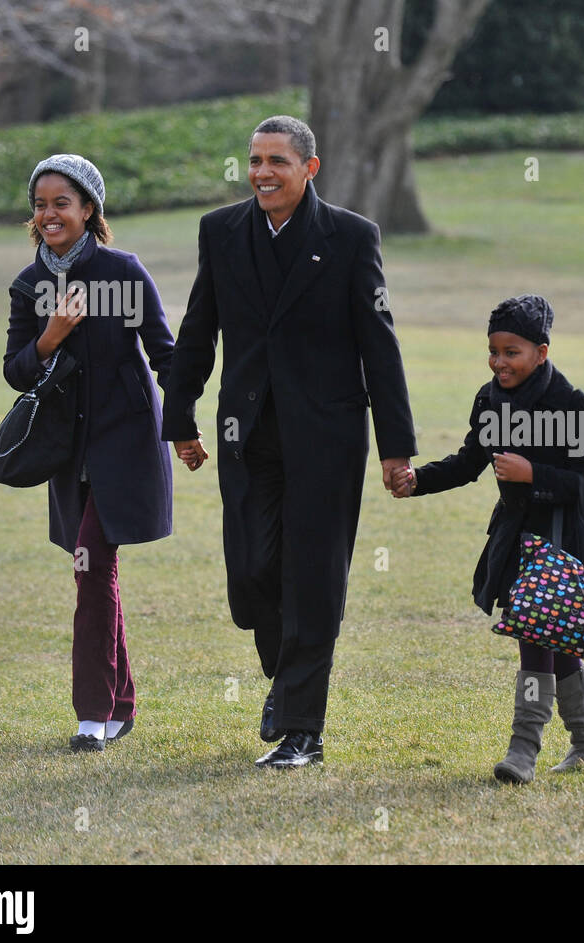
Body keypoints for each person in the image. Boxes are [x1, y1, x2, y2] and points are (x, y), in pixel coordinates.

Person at [160, 116, 416, 769]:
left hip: (327, 436)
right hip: (246, 433)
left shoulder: (353, 238)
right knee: (251, 575)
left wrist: (395, 445)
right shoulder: (219, 232)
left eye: (277, 160)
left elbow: (377, 346)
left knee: (313, 579)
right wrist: (180, 416)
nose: (262, 173)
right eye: (254, 161)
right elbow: (198, 329)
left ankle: (303, 728)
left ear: (310, 167)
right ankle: (285, 675)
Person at [392, 295, 584, 784]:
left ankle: (523, 751)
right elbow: (470, 461)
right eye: (493, 350)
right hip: (516, 538)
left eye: (511, 352)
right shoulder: (490, 400)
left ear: (542, 352)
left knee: (538, 636)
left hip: (567, 540)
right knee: (552, 638)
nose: (499, 361)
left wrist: (532, 472)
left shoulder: (571, 405)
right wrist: (418, 480)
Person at [3, 154, 176, 753]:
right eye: (41, 204)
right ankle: (120, 702)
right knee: (93, 565)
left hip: (125, 447)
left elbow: (165, 353)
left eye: (62, 203)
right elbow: (16, 372)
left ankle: (93, 716)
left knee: (91, 563)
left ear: (89, 210)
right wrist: (50, 335)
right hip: (66, 455)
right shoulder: (30, 286)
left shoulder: (122, 273)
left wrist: (182, 427)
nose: (49, 214)